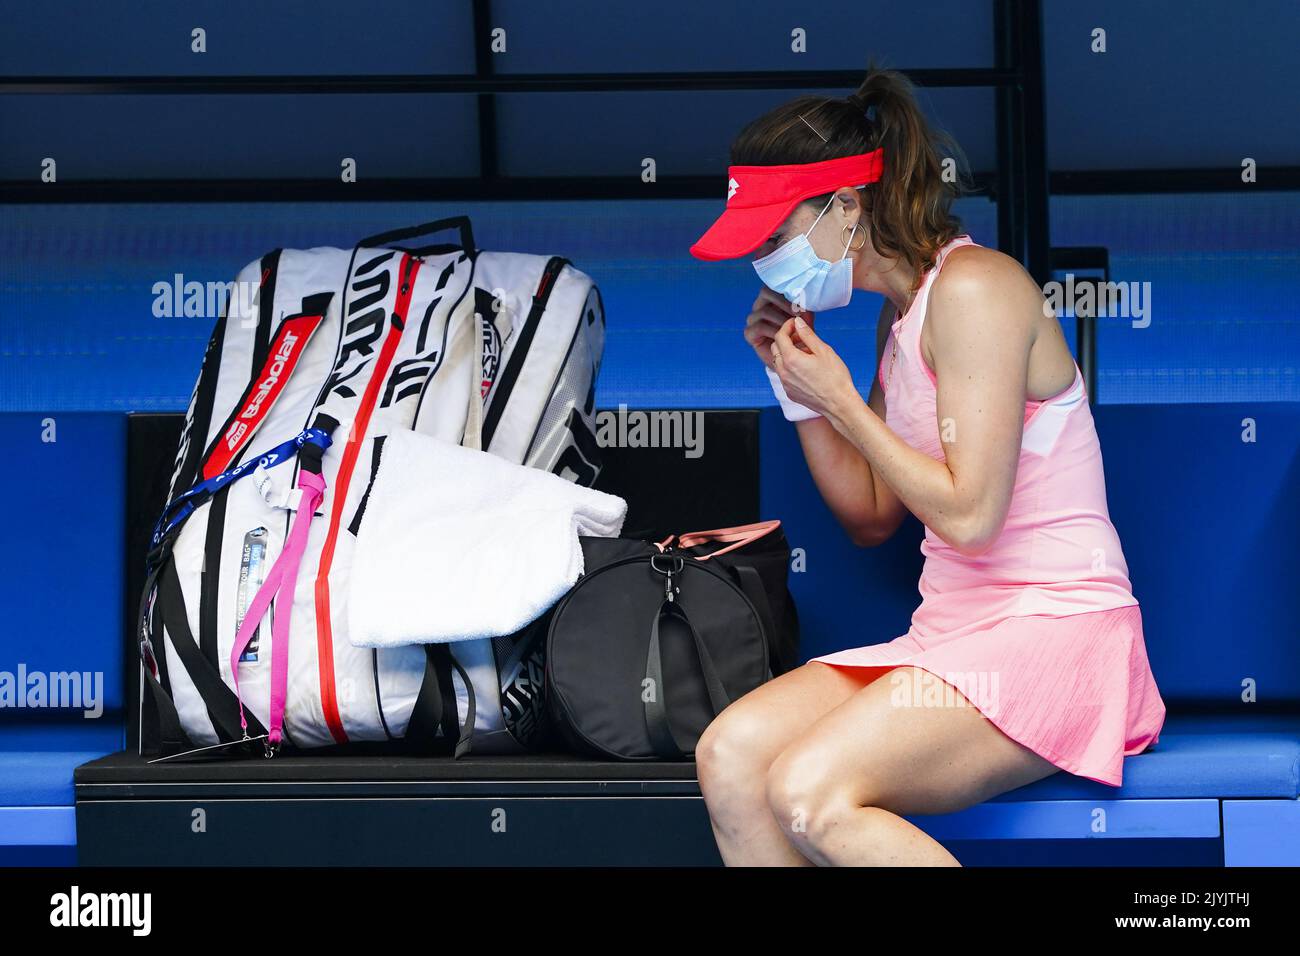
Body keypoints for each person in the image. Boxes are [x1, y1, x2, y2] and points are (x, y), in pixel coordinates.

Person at [687, 67, 1166, 867]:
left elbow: (972, 518)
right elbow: (874, 515)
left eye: (774, 239)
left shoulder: (976, 289)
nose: (765, 263)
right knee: (730, 756)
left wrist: (842, 402)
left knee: (809, 793)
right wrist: (801, 394)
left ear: (846, 207)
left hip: (1055, 635)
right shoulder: (896, 319)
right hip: (951, 637)